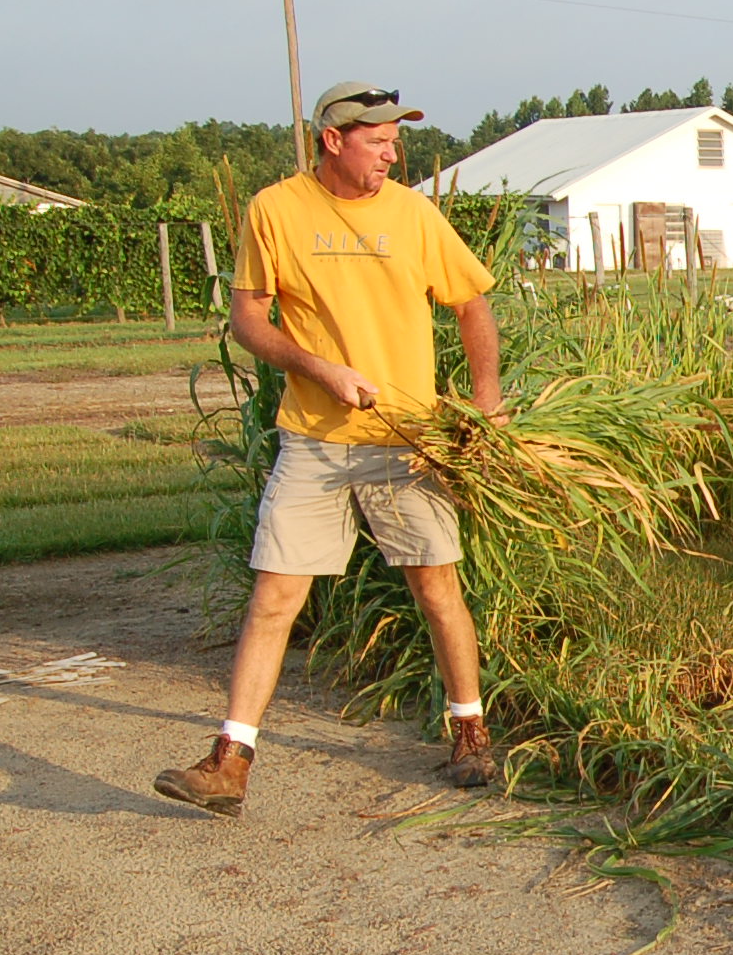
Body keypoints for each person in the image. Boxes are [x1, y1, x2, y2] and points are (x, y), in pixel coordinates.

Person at [154, 81, 505, 817]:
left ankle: (470, 734)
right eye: (377, 141)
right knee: (275, 597)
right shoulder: (275, 209)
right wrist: (319, 369)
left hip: (405, 441)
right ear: (333, 140)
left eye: (395, 142)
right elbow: (248, 320)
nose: (391, 154)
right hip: (313, 441)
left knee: (437, 588)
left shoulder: (413, 214)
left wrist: (485, 397)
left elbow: (472, 302)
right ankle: (229, 762)